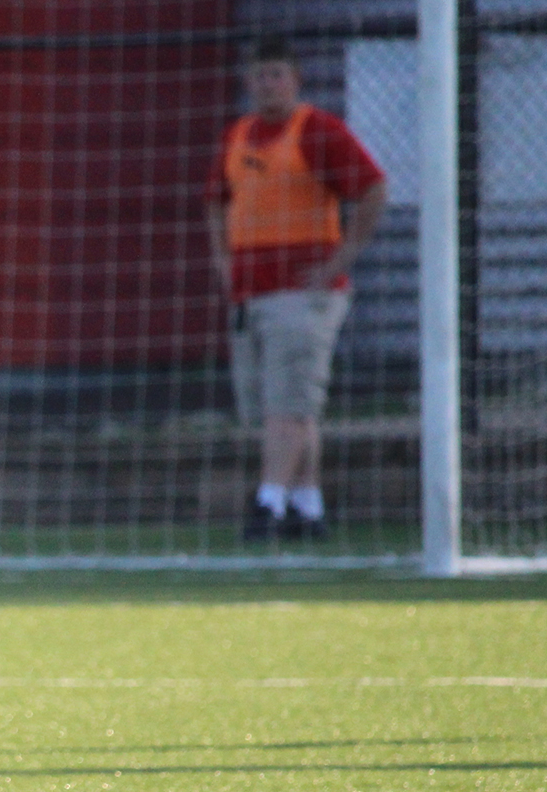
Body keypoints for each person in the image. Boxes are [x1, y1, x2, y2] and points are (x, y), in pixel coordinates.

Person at [206, 36, 387, 541]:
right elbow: (216, 201)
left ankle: (269, 503)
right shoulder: (237, 136)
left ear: (295, 80)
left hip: (304, 294)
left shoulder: (319, 131)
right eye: (259, 75)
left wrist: (340, 259)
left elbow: (373, 188)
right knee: (279, 407)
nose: (268, 85)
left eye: (277, 75)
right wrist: (224, 262)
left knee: (288, 403)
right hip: (251, 293)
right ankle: (308, 507)